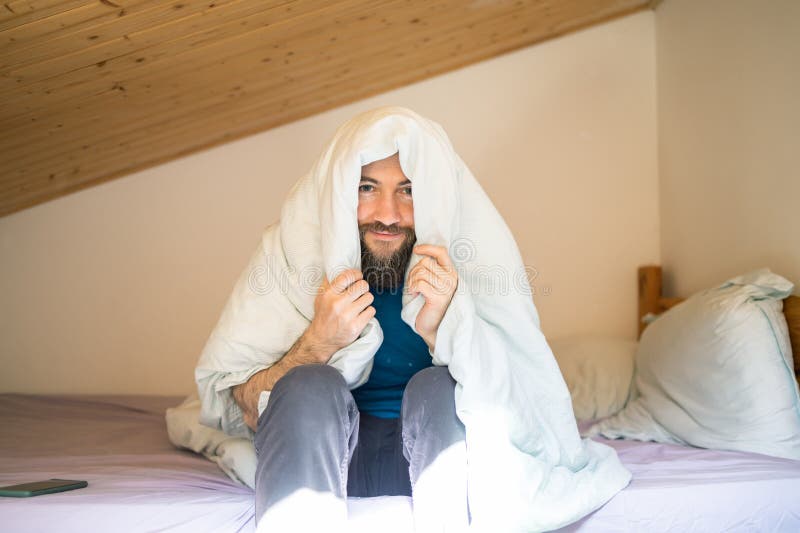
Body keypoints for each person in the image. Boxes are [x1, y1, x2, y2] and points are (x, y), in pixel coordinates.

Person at [230, 152, 470, 529]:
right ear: (339, 193)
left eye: (407, 191)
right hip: (321, 451)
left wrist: (443, 332)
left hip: (432, 451)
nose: (388, 214)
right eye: (367, 188)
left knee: (441, 386)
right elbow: (243, 404)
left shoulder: (463, 263)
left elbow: (515, 395)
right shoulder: (291, 258)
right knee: (308, 382)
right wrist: (318, 342)